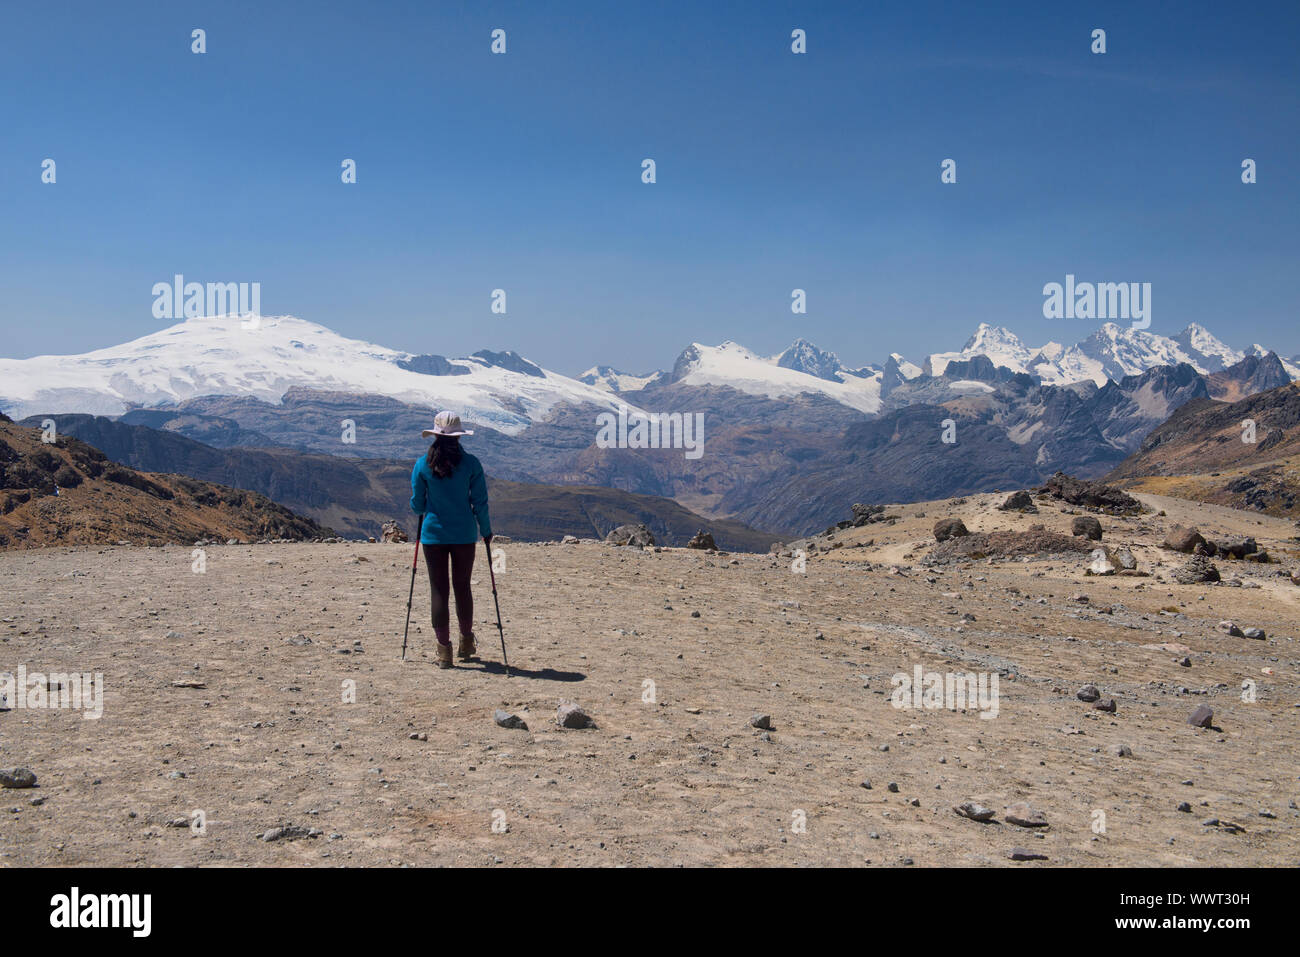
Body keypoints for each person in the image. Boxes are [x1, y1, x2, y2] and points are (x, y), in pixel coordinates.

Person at [410, 411, 492, 669]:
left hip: (433, 535)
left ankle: (443, 651)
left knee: (439, 590)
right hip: (464, 535)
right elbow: (480, 502)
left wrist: (427, 503)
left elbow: (417, 505)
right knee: (462, 587)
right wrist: (486, 530)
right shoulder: (471, 464)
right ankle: (466, 642)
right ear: (458, 437)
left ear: (434, 435)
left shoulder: (422, 464)